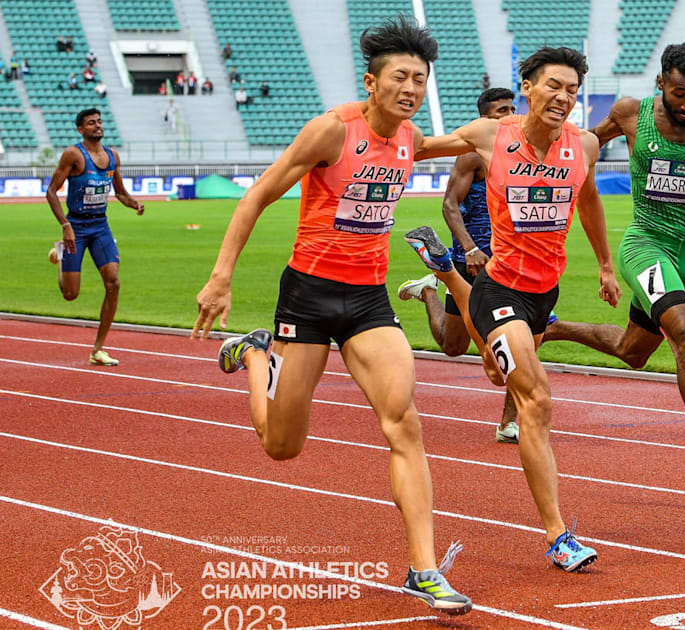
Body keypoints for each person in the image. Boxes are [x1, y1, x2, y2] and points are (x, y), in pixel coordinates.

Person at [190, 17, 472, 615]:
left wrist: (517, 126)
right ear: (371, 82)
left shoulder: (410, 137)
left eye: (421, 79)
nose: (412, 87)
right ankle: (256, 354)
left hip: (368, 300)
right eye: (401, 76)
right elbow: (258, 194)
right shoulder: (330, 132)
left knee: (405, 422)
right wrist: (220, 277)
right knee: (281, 447)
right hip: (309, 299)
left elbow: (461, 141)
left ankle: (423, 569)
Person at [405, 46, 622, 572]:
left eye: (572, 89)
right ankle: (558, 535)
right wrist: (366, 134)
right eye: (553, 85)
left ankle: (444, 278)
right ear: (527, 86)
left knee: (506, 382)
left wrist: (605, 265)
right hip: (499, 289)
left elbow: (588, 201)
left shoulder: (585, 145)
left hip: (543, 294)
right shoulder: (488, 135)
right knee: (536, 402)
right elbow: (418, 148)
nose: (563, 97)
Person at [541, 42, 685, 509]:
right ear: (661, 83)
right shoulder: (630, 114)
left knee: (633, 351)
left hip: (683, 258)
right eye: (679, 94)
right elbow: (582, 145)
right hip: (643, 247)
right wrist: (550, 172)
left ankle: (551, 328)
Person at [396, 87, 520, 443]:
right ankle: (431, 289)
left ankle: (508, 422)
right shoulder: (471, 155)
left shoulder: (519, 152)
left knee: (514, 340)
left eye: (512, 109)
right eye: (500, 110)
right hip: (473, 259)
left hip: (506, 262)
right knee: (453, 346)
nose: (508, 115)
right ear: (484, 117)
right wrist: (469, 248)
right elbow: (450, 205)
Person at [45, 108, 144, 366]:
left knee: (114, 284)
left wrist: (133, 203)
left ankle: (98, 349)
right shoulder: (73, 155)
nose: (97, 126)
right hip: (75, 227)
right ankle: (61, 253)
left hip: (100, 227)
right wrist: (65, 225)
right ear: (81, 129)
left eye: (99, 121)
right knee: (70, 294)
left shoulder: (112, 156)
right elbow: (51, 192)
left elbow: (119, 192)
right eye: (91, 123)